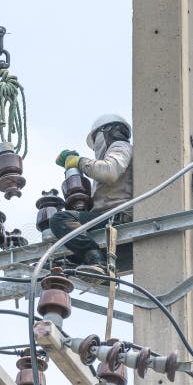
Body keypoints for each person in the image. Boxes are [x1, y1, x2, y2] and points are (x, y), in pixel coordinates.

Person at [49, 114, 133, 278]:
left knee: (60, 220)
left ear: (105, 133)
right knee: (65, 243)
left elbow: (109, 172)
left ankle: (96, 260)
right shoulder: (116, 155)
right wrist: (74, 171)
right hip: (107, 218)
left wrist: (79, 161)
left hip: (117, 217)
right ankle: (84, 263)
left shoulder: (120, 147)